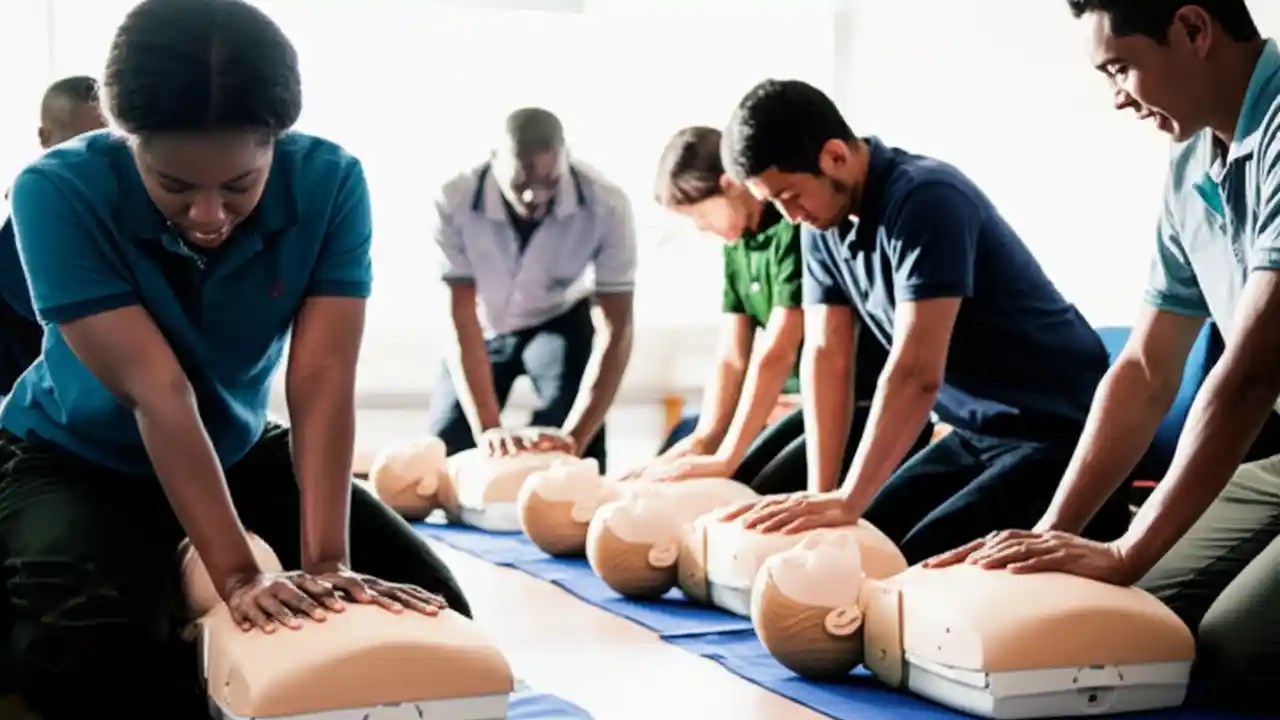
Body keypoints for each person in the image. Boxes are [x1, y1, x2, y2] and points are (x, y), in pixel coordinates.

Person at [0, 1, 468, 716]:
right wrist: (241, 576)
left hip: (236, 446)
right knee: (76, 647)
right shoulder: (56, 191)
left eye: (240, 186)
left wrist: (328, 564)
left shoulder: (331, 182)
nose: (210, 215)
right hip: (76, 454)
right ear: (130, 141)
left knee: (431, 613)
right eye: (176, 187)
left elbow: (321, 379)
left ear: (275, 142)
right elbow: (157, 393)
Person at [925, 1, 1280, 708]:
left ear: (1194, 29)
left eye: (1120, 67)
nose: (1116, 96)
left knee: (1238, 647)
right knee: (1140, 617)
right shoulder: (1189, 168)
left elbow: (1249, 374)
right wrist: (1052, 536)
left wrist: (1125, 548)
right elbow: (1147, 370)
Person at [715, 79, 1131, 564]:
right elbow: (827, 357)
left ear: (834, 157)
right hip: (976, 436)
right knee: (861, 542)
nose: (788, 216)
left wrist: (850, 498)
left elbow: (915, 371)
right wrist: (824, 496)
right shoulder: (820, 224)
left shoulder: (927, 196)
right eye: (775, 203)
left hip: (1061, 432)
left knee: (899, 561)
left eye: (790, 195)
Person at [635, 125, 929, 493]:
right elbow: (731, 356)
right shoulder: (738, 244)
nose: (701, 228)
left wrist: (724, 453)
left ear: (728, 184)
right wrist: (706, 437)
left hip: (844, 403)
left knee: (743, 484)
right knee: (682, 441)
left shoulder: (795, 228)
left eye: (699, 216)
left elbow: (776, 351)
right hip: (781, 404)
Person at [429, 107, 636, 472]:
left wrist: (575, 438)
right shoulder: (453, 200)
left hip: (559, 320)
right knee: (447, 449)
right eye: (521, 184)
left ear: (565, 159)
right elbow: (459, 317)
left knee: (574, 454)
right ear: (494, 161)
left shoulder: (608, 204)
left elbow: (617, 328)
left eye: (549, 183)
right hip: (482, 326)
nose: (533, 198)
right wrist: (489, 428)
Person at [0, 75, 107, 396]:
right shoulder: (27, 224)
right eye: (79, 143)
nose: (93, 161)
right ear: (45, 137)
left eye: (106, 144)